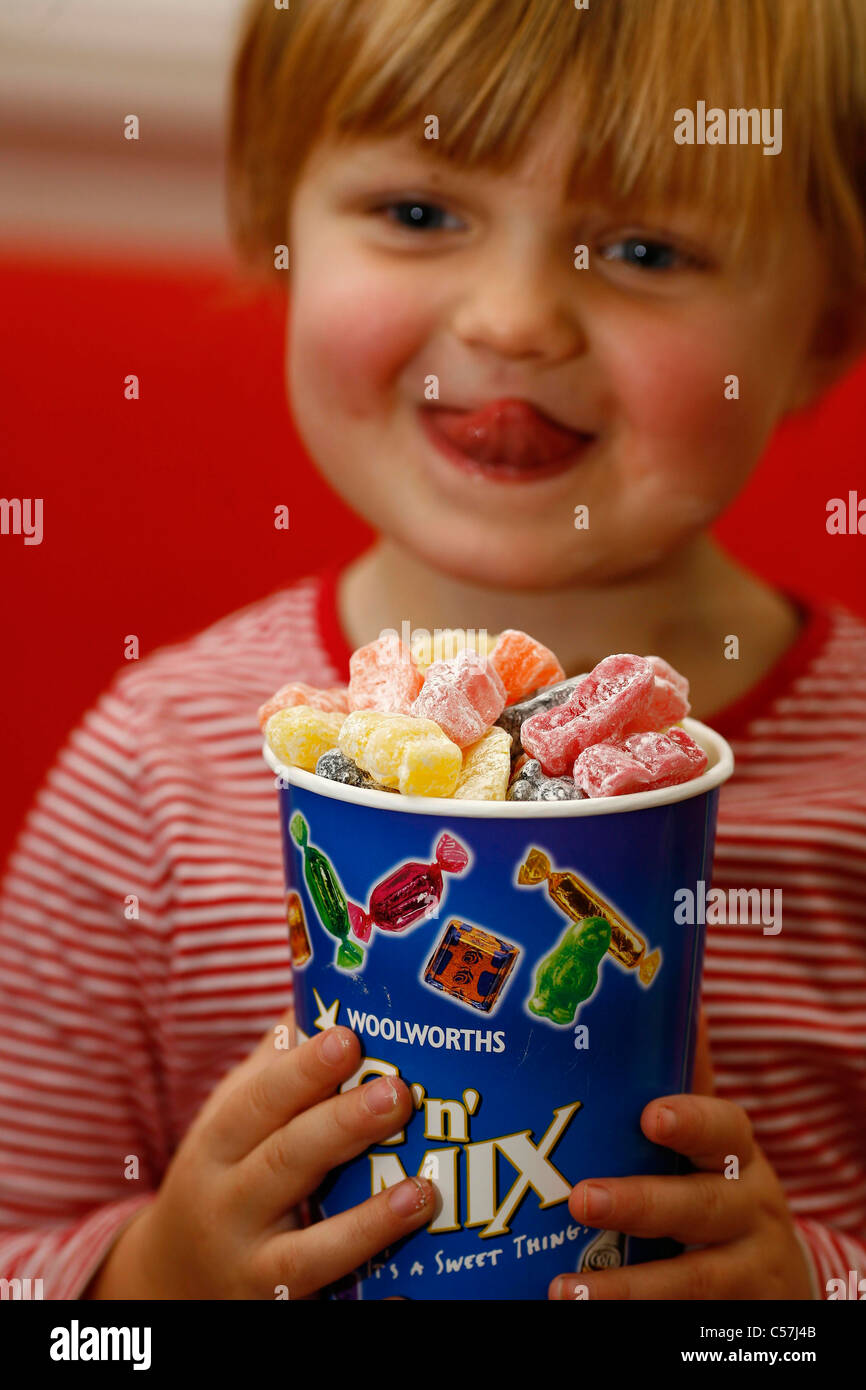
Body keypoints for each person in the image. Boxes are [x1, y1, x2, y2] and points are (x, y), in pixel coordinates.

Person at [2, 0, 865, 1301]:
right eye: (418, 213)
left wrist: (805, 1302)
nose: (515, 319)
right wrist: (152, 1282)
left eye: (643, 246)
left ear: (822, 331)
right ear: (275, 225)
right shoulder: (153, 770)